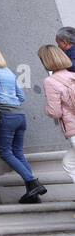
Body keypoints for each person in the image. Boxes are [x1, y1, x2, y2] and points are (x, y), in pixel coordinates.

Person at [0, 42, 46, 203]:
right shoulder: (8, 72)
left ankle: (33, 182)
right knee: (18, 152)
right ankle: (32, 193)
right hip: (20, 115)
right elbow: (21, 97)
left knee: (5, 152)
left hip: (4, 115)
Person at [39, 44, 75, 188]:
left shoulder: (50, 81)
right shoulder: (73, 76)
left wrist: (46, 109)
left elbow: (55, 112)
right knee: (68, 162)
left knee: (69, 164)